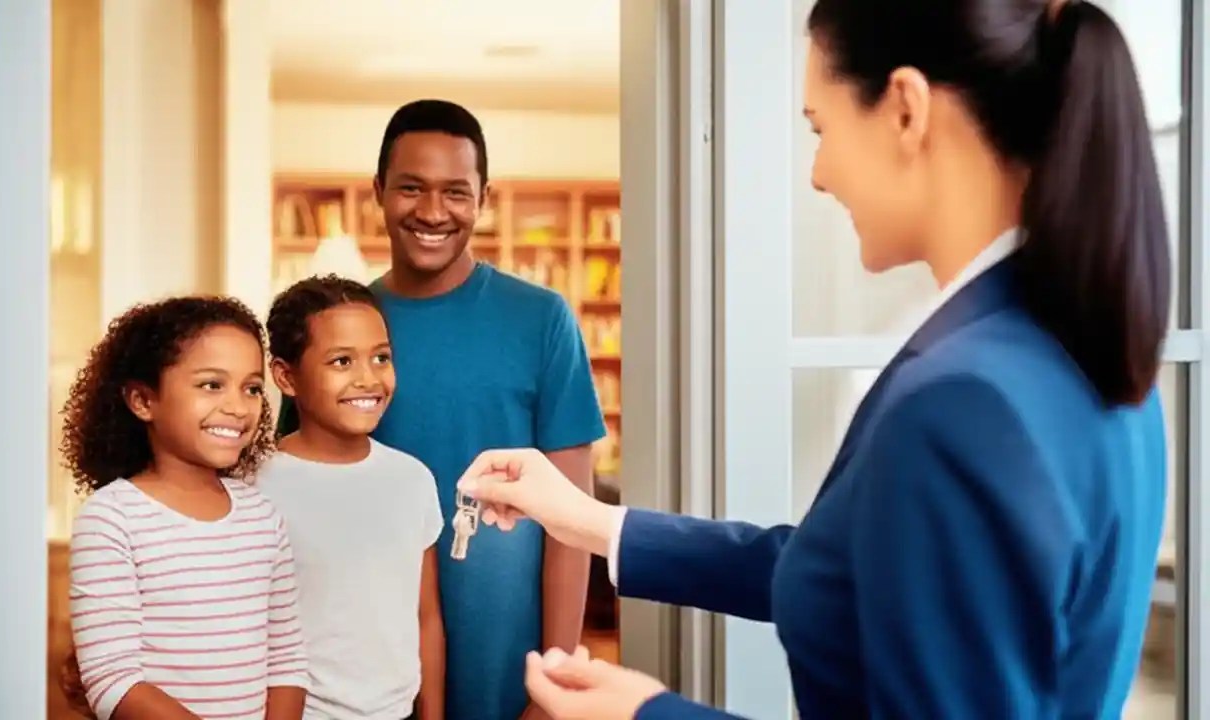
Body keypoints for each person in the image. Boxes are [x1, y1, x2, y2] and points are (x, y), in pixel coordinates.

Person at [457, 1, 1173, 718]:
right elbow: (855, 571)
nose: (818, 175)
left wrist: (646, 714)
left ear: (904, 110)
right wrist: (586, 518)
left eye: (820, 129)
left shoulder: (964, 401)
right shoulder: (1087, 349)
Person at [277, 99, 606, 720]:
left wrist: (557, 676)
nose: (432, 211)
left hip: (504, 640)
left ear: (484, 197)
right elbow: (276, 502)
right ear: (378, 192)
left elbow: (573, 519)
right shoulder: (337, 331)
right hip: (363, 659)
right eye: (410, 188)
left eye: (456, 191)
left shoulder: (541, 320)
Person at [61, 296, 308, 720]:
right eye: (212, 384)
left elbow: (286, 658)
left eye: (251, 388)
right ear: (143, 400)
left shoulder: (262, 516)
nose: (237, 406)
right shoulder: (111, 519)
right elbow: (112, 680)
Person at [257, 275, 445, 720]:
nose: (369, 378)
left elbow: (426, 616)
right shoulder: (253, 485)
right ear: (286, 377)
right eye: (342, 361)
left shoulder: (412, 480)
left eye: (381, 357)